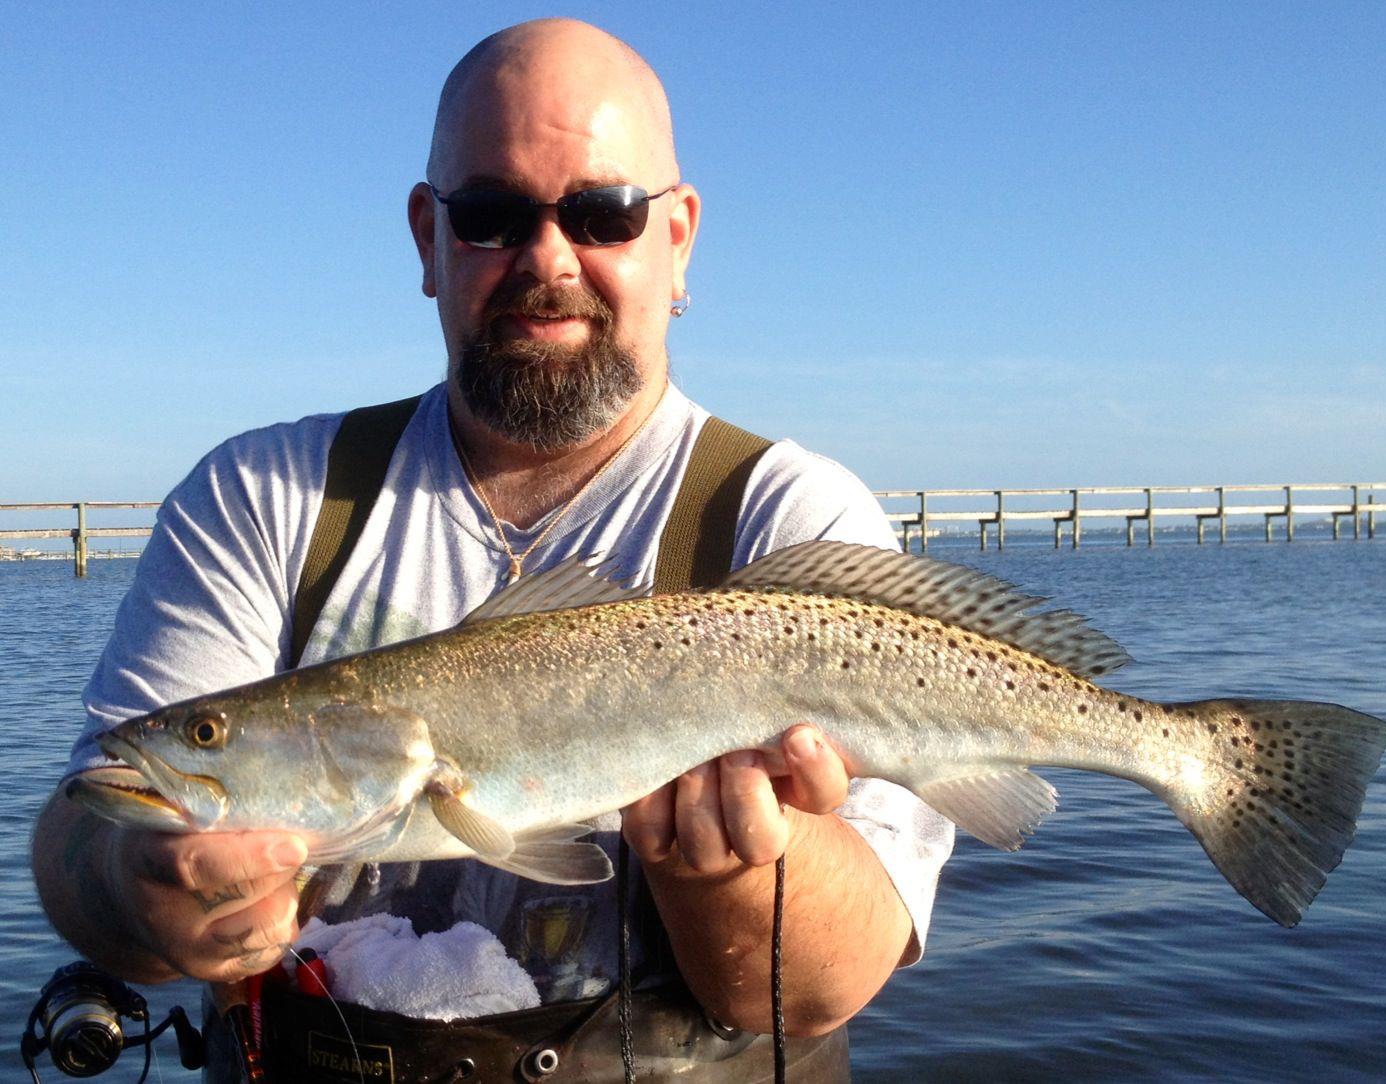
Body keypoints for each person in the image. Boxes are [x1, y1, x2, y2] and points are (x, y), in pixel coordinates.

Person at [33, 18, 954, 1081]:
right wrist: (135, 882)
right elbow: (82, 829)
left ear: (679, 235)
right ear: (427, 237)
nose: (547, 258)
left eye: (604, 212)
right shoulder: (263, 496)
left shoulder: (790, 514)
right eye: (491, 214)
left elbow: (824, 987)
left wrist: (734, 876)